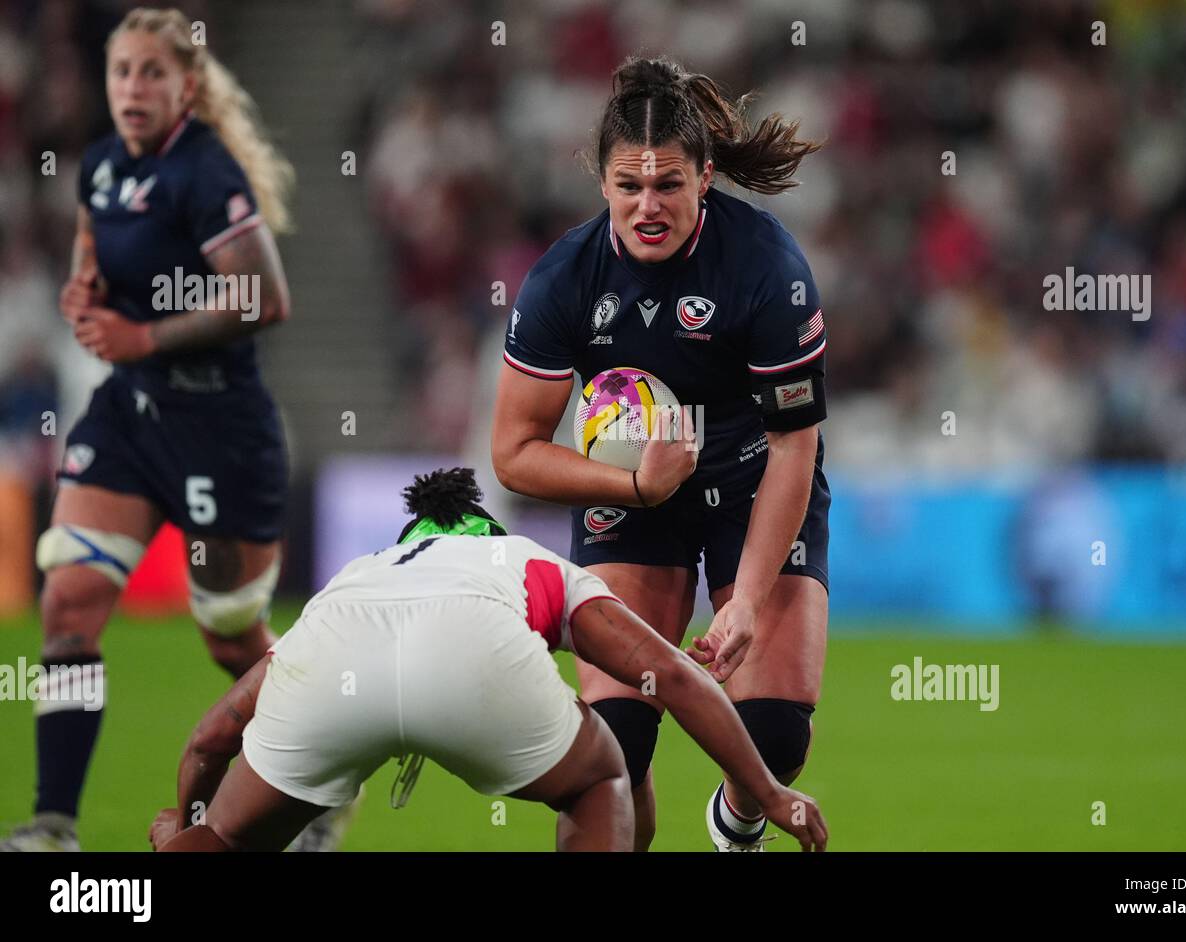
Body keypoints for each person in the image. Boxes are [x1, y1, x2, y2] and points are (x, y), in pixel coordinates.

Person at [491, 56, 830, 850]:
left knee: (774, 743)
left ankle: (735, 825)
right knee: (615, 749)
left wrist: (743, 599)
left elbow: (794, 445)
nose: (648, 206)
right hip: (633, 485)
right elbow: (512, 454)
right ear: (600, 182)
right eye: (629, 186)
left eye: (669, 185)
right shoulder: (561, 281)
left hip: (752, 472)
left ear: (706, 177)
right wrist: (633, 485)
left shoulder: (768, 270)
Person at [147, 469, 828, 852]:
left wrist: (189, 820)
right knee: (602, 778)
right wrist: (769, 794)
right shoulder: (523, 560)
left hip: (335, 663)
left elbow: (211, 738)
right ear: (488, 533)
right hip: (473, 656)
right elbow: (674, 676)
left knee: (226, 843)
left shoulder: (358, 576)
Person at [1, 7, 308, 851]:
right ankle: (55, 825)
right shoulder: (99, 167)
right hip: (130, 417)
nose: (132, 88)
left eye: (150, 73)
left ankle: (323, 780)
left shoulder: (207, 173)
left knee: (228, 636)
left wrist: (145, 334)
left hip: (219, 429)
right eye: (121, 72)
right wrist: (82, 294)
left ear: (186, 86)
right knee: (67, 601)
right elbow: (92, 260)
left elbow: (263, 298)